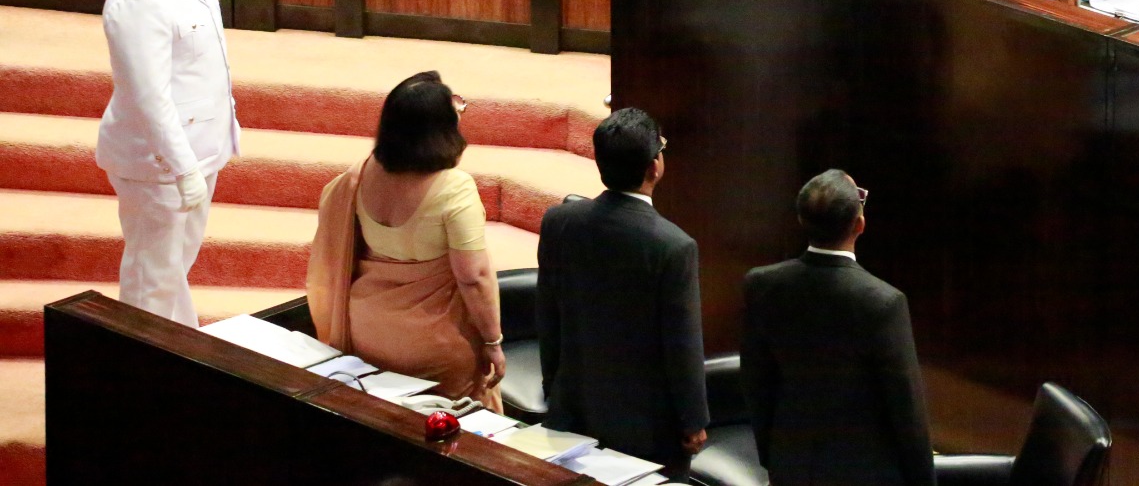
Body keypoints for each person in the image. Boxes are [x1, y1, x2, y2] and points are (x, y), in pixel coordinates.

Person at [306, 71, 504, 411]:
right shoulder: (454, 188)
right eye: (455, 107)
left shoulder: (361, 173)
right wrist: (493, 342)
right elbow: (473, 278)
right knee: (457, 432)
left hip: (366, 332)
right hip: (435, 345)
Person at [97, 0, 240, 326]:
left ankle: (178, 351)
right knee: (152, 277)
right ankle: (141, 374)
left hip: (199, 148)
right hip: (158, 165)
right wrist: (183, 169)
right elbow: (148, 98)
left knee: (174, 266)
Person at [538, 108, 708, 474]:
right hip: (647, 430)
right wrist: (693, 420)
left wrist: (552, 385)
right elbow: (681, 344)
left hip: (572, 405)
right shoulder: (674, 246)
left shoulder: (558, 222)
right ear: (654, 167)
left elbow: (548, 312)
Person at [742, 169, 934, 486]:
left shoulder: (761, 284)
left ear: (802, 220)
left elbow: (756, 381)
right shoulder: (883, 302)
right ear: (859, 225)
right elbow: (907, 410)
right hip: (863, 473)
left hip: (791, 464)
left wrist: (774, 457)